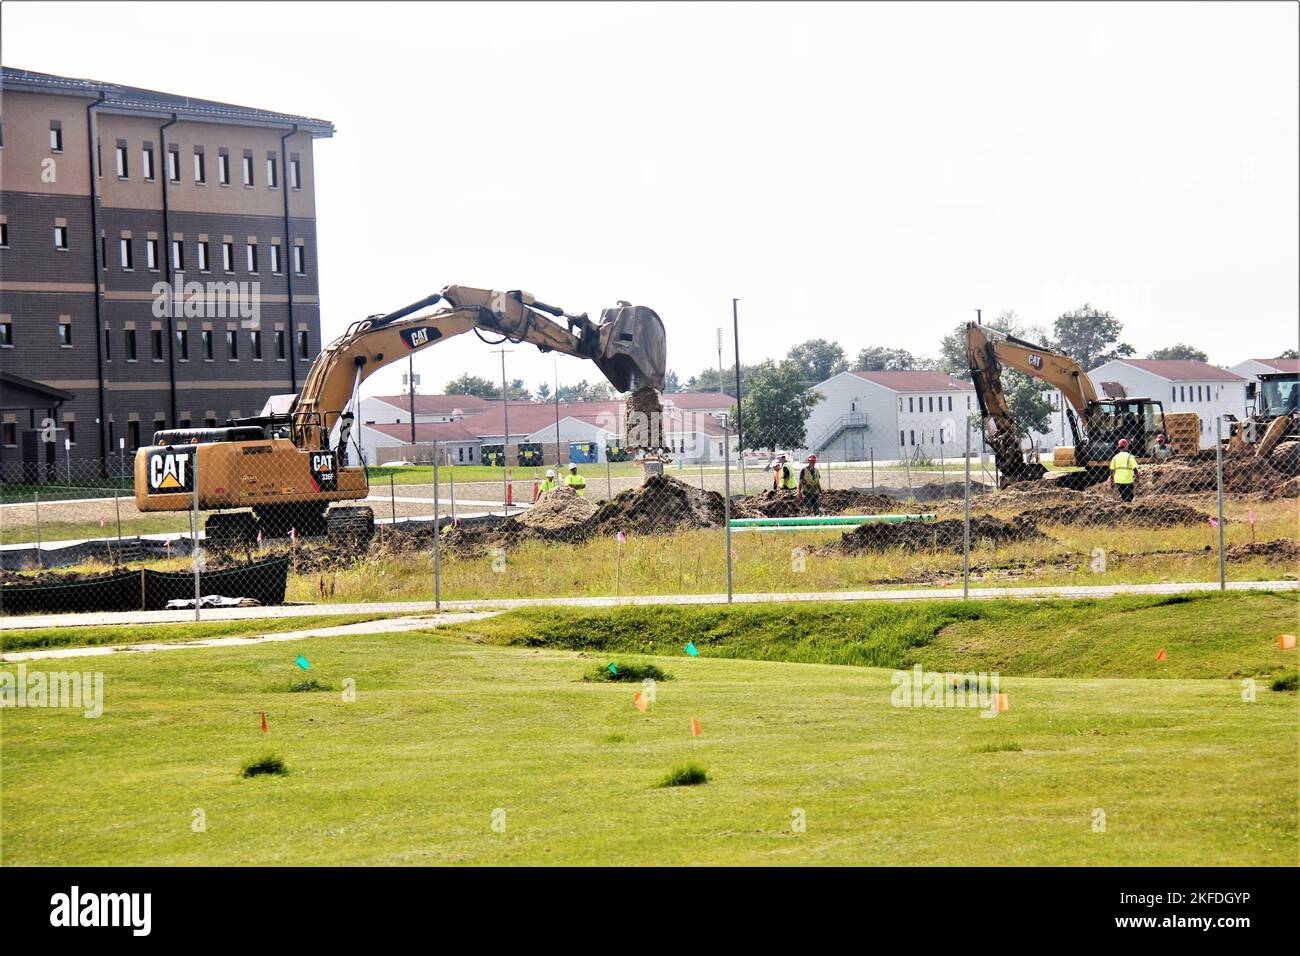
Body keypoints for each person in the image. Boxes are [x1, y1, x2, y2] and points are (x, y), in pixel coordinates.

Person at [1110, 438, 1138, 502]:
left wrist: (1112, 482)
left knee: (1123, 494)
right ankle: (1126, 504)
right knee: (1129, 496)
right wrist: (1137, 478)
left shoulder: (1115, 457)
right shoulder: (1130, 456)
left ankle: (1124, 502)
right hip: (1128, 480)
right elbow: (1135, 469)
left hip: (1118, 481)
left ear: (1119, 447)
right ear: (1127, 446)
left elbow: (1111, 471)